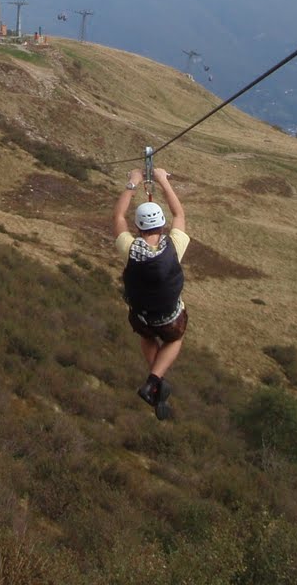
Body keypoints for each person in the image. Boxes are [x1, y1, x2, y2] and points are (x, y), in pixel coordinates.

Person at [113, 165, 189, 420]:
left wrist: (133, 183)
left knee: (147, 337)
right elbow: (179, 215)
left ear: (137, 226)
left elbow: (119, 217)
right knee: (173, 340)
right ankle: (154, 379)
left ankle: (156, 381)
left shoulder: (130, 248)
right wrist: (163, 181)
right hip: (169, 318)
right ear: (162, 224)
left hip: (141, 316)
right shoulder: (174, 246)